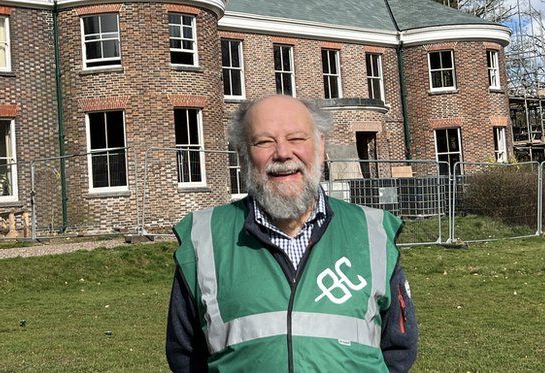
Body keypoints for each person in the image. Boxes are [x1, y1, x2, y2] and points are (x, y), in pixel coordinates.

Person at [166, 95, 417, 372]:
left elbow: (397, 351)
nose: (283, 153)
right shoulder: (206, 239)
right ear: (242, 156)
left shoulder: (371, 233)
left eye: (297, 138)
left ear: (320, 146)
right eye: (263, 141)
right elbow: (186, 357)